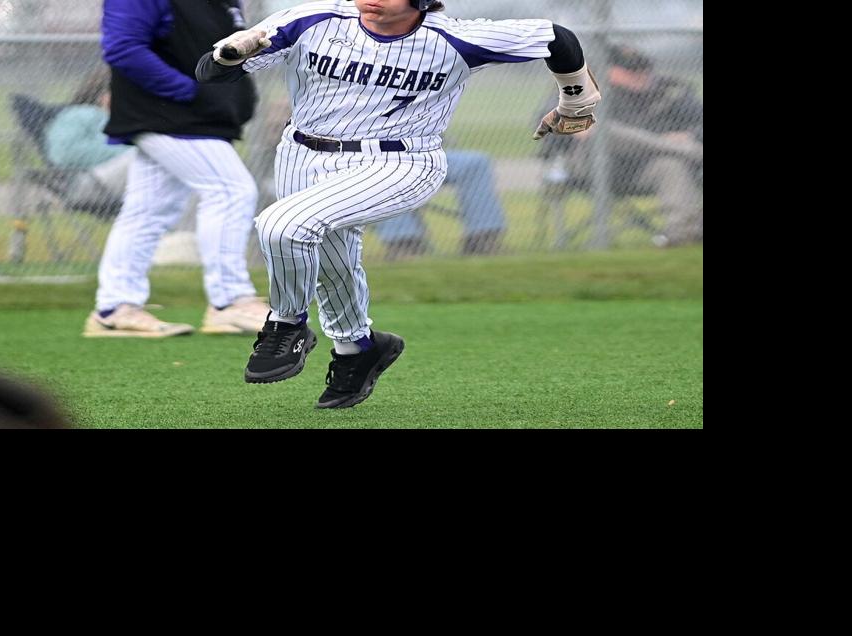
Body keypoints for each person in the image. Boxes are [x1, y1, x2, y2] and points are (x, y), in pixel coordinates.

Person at [198, 0, 600, 408]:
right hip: (302, 154)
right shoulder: (312, 18)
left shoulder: (456, 38)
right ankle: (358, 350)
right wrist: (229, 54)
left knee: (281, 225)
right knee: (333, 262)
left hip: (402, 161)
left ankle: (286, 324)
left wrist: (576, 99)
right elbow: (210, 73)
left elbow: (557, 38)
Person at [88, 0, 270, 338]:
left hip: (196, 118)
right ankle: (230, 302)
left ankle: (114, 308)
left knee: (149, 210)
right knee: (231, 190)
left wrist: (233, 100)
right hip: (168, 115)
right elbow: (123, 48)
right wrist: (189, 91)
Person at [540, 43, 702, 246]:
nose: (641, 75)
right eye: (631, 70)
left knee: (671, 167)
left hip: (646, 168)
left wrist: (690, 134)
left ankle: (683, 236)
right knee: (604, 132)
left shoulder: (668, 91)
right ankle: (691, 152)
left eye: (644, 69)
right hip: (594, 169)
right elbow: (546, 126)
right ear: (608, 69)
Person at [373, 148, 507, 259]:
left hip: (422, 153)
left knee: (475, 163)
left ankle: (482, 239)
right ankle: (404, 243)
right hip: (377, 158)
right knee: (383, 170)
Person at [42, 70, 134, 214]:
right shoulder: (80, 114)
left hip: (119, 182)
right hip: (87, 183)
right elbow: (64, 153)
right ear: (103, 96)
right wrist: (128, 151)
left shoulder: (117, 119)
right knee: (146, 156)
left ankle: (178, 232)